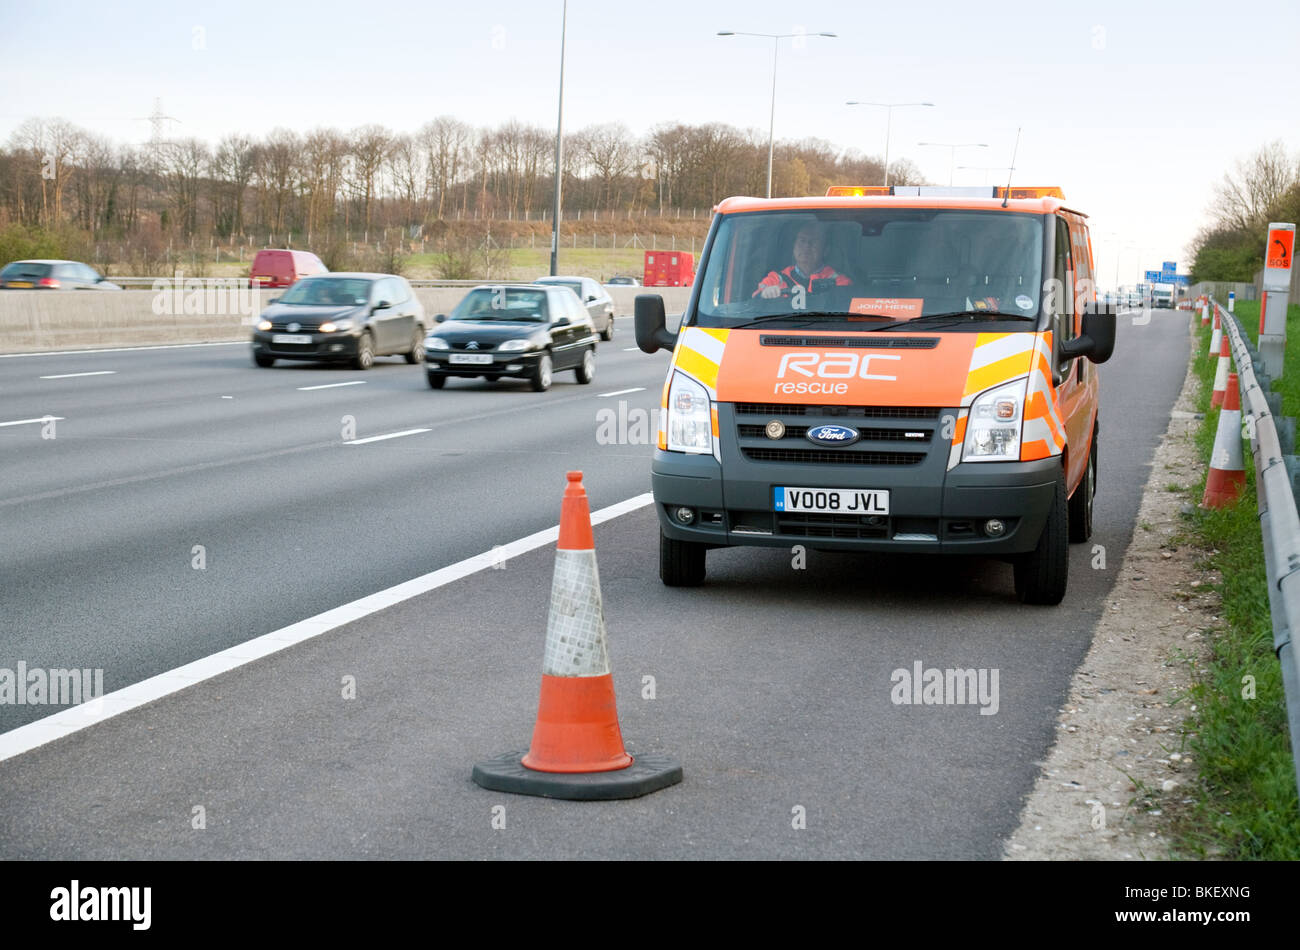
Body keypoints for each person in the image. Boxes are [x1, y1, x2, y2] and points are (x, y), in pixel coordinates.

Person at [753, 222, 853, 299]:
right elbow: (754, 299)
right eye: (802, 241)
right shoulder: (777, 278)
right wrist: (765, 293)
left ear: (825, 250)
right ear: (794, 247)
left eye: (813, 242)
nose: (806, 247)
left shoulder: (838, 281)